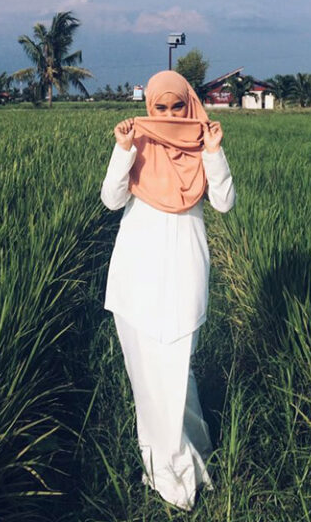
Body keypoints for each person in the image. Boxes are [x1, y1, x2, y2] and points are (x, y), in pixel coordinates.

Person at [100, 70, 236, 510]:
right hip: (136, 271)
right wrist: (123, 150)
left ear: (190, 104)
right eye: (161, 107)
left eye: (178, 106)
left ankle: (188, 456)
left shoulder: (201, 144)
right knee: (146, 373)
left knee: (177, 366)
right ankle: (171, 470)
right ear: (149, 107)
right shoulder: (137, 142)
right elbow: (111, 200)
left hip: (183, 269)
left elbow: (224, 202)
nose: (171, 115)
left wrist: (213, 152)